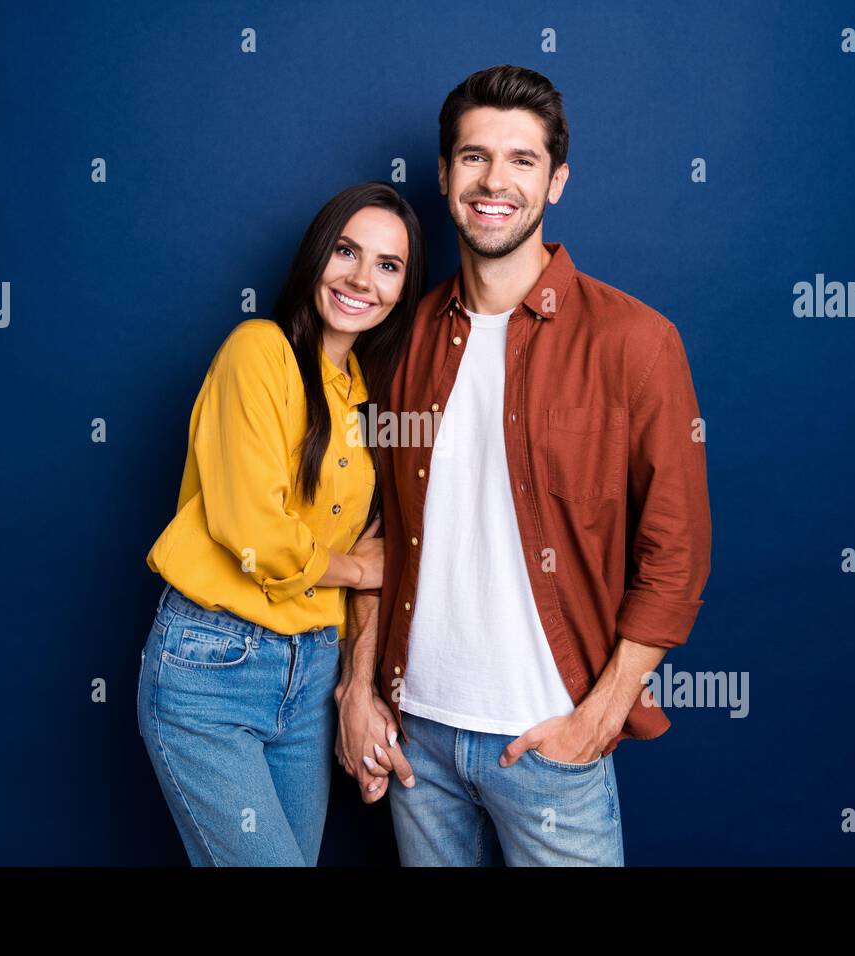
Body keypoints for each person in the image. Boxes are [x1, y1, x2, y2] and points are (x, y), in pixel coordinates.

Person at [336, 65, 713, 866]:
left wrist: (600, 716)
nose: (494, 182)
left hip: (552, 742)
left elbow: (675, 557)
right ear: (443, 176)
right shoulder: (400, 339)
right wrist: (359, 688)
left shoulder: (636, 343)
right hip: (418, 743)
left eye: (521, 160)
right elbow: (373, 530)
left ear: (557, 181)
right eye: (473, 158)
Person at [138, 181, 426, 866]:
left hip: (310, 677)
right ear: (316, 255)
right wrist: (357, 567)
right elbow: (255, 534)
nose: (362, 279)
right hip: (213, 664)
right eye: (348, 252)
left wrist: (359, 686)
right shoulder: (258, 349)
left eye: (388, 266)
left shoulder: (364, 398)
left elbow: (374, 542)